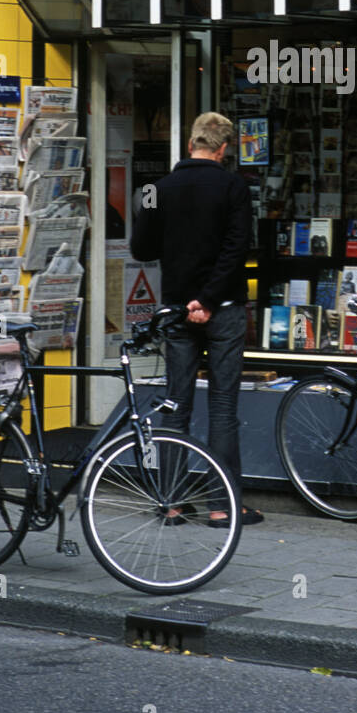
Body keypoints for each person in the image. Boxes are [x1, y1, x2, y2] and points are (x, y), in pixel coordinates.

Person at [130, 111, 263, 526]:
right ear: (223, 150)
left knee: (176, 404)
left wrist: (188, 294)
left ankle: (170, 501)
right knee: (223, 407)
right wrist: (206, 299)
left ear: (190, 144)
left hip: (175, 309)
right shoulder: (234, 187)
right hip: (222, 310)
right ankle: (224, 506)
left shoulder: (157, 189)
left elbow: (141, 249)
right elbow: (237, 248)